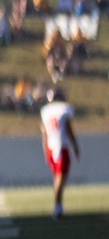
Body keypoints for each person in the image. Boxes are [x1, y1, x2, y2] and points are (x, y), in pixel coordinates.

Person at [40, 88, 80, 218]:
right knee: (60, 179)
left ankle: (59, 206)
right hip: (60, 147)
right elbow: (69, 130)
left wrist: (45, 149)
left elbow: (44, 133)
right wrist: (75, 146)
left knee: (58, 179)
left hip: (51, 149)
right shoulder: (64, 110)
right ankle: (57, 207)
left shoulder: (46, 112)